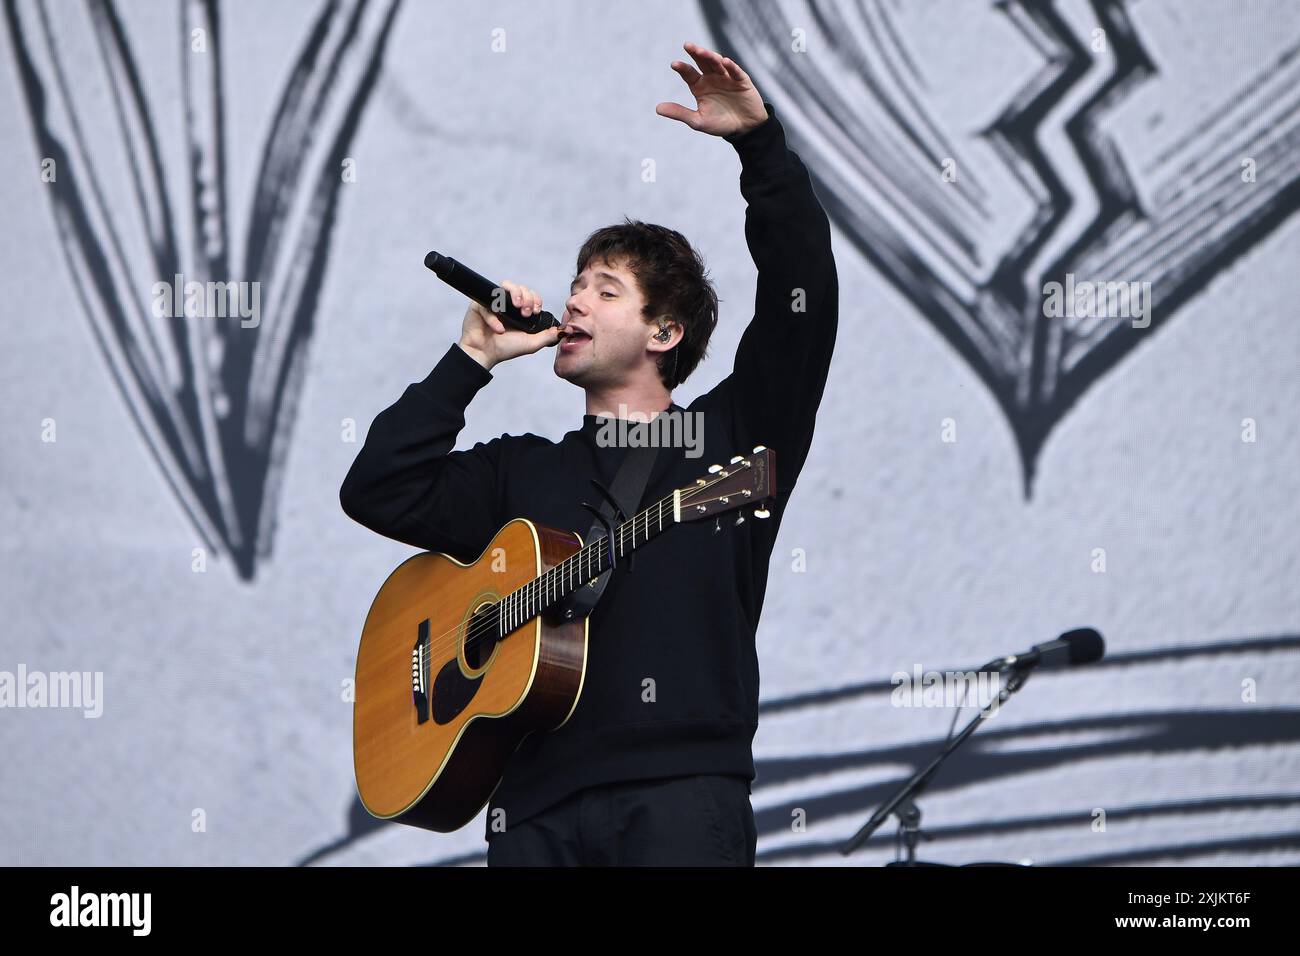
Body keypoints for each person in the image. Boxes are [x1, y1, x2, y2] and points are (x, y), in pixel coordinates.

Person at [340, 41, 838, 865]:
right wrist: (470, 359)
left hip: (680, 798)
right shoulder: (521, 468)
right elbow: (378, 489)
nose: (574, 299)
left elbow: (804, 301)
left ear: (664, 332)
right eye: (576, 284)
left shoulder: (733, 439)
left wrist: (759, 150)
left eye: (605, 290)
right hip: (531, 811)